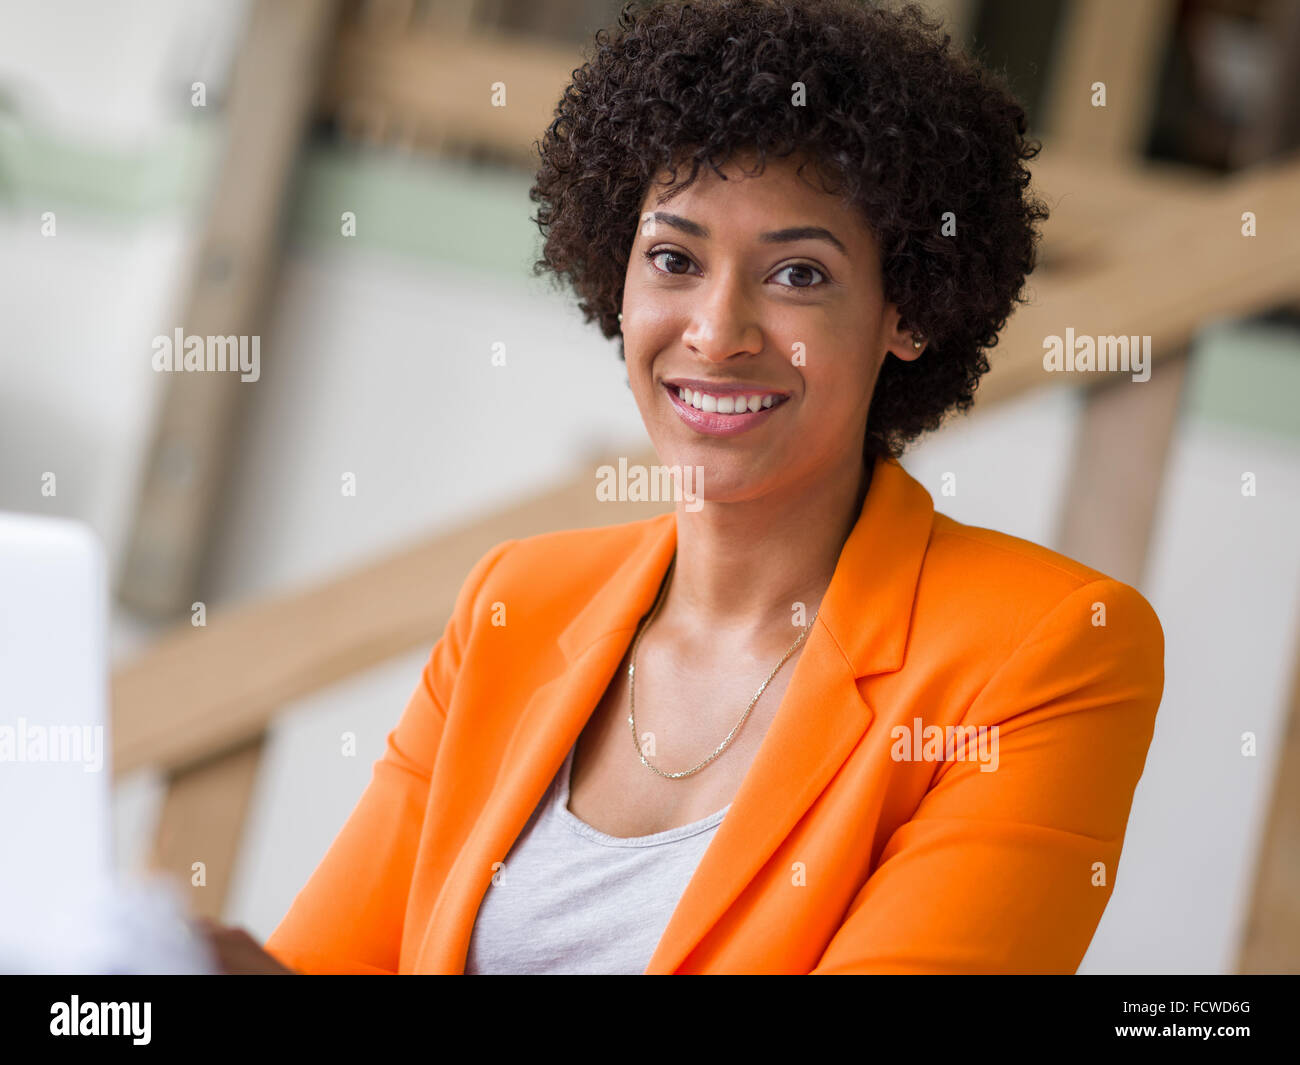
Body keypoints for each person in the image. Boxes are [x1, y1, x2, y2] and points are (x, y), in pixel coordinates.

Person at [207, 0, 1163, 974]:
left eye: (797, 273)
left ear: (906, 309)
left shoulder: (1050, 653)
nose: (716, 330)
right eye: (673, 258)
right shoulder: (516, 605)